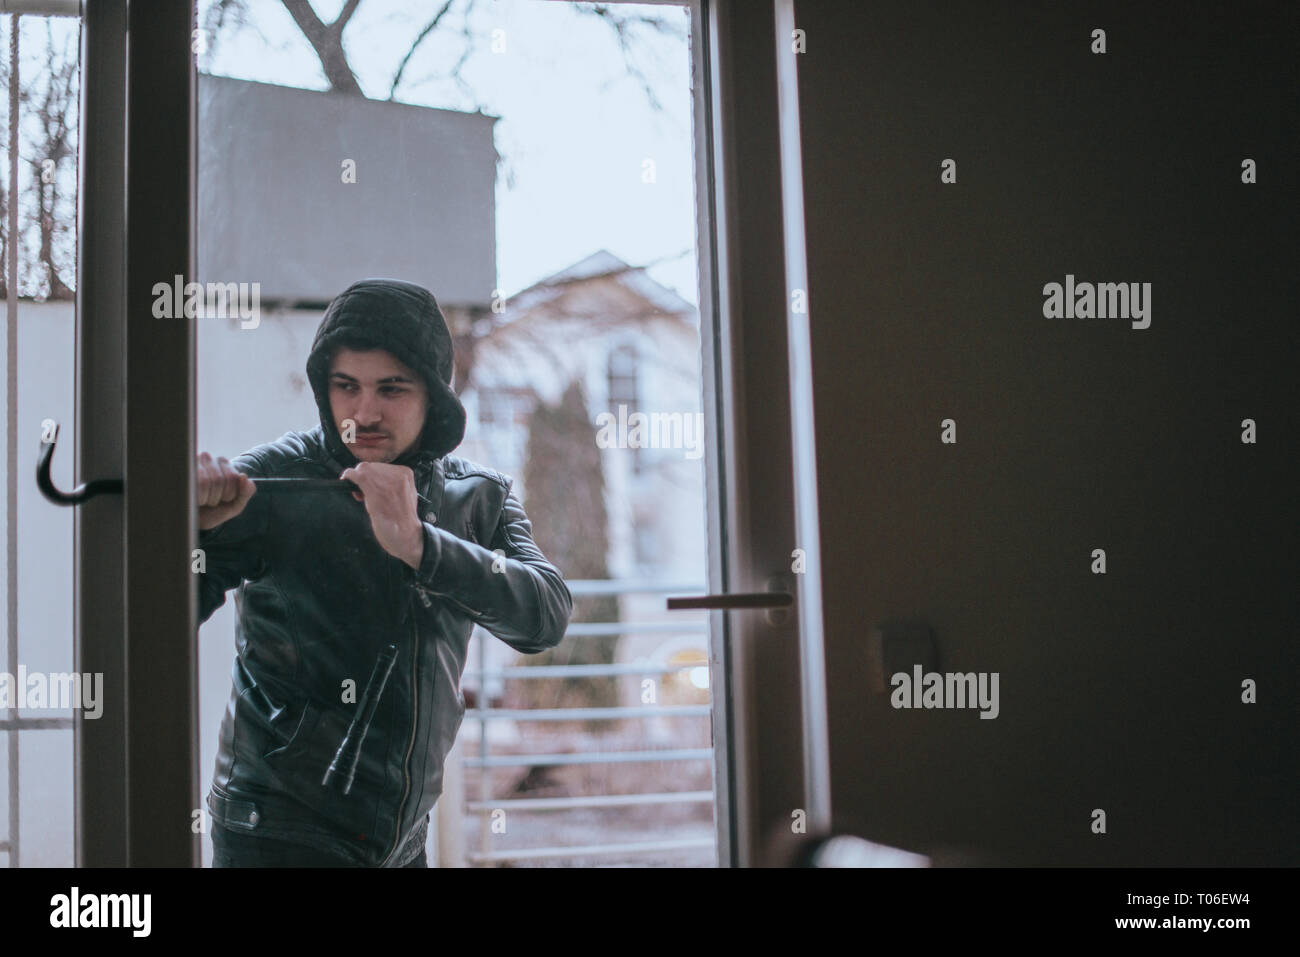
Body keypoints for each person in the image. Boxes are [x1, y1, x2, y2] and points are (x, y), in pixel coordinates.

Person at [196, 277, 573, 867]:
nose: (364, 412)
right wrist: (191, 534)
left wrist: (423, 545)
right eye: (346, 387)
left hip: (401, 841)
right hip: (276, 833)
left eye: (391, 389)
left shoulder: (479, 496)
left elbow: (546, 616)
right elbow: (154, 621)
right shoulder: (275, 479)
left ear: (434, 397)